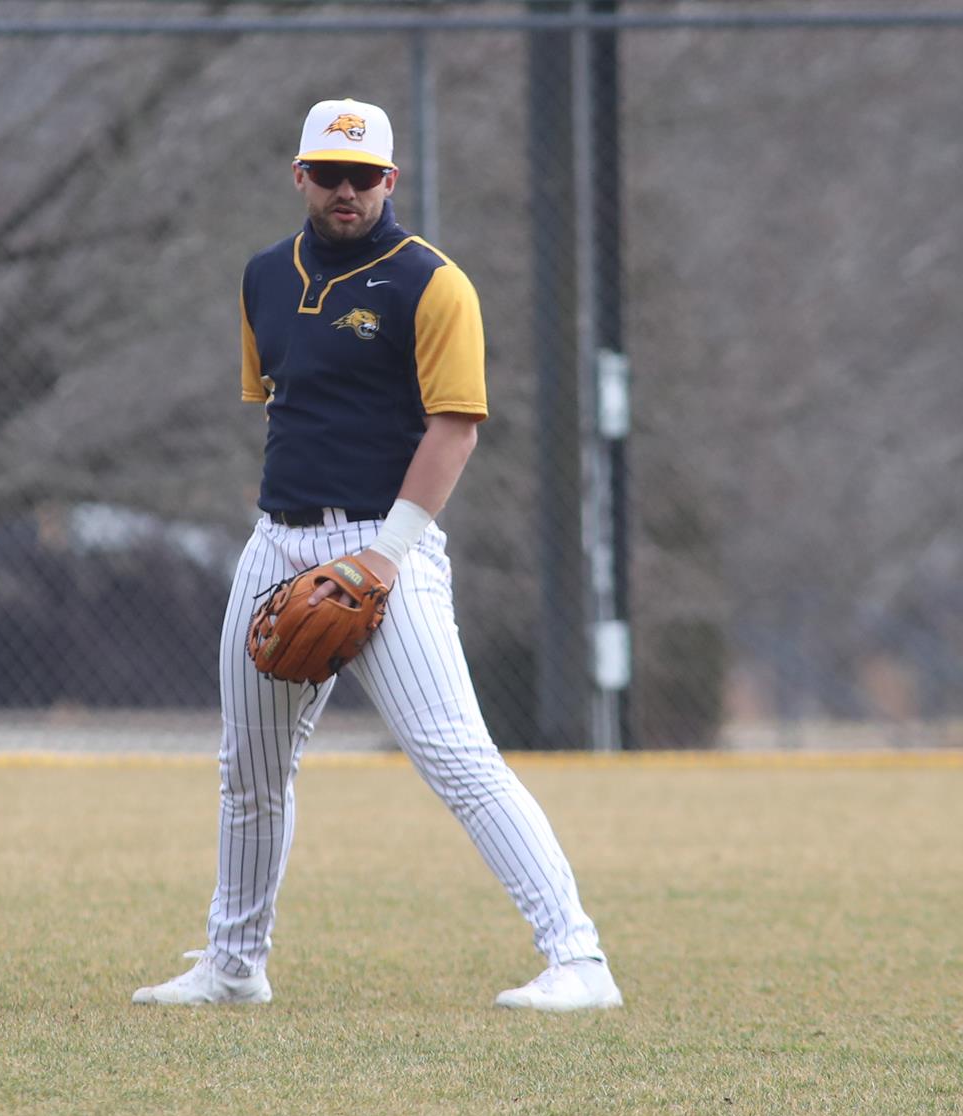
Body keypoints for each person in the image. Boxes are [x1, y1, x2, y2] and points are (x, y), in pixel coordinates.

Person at [132, 98, 620, 1012]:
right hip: (278, 540)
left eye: (364, 176)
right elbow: (287, 409)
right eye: (330, 174)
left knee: (457, 757)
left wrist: (387, 555)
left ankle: (580, 959)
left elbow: (456, 428)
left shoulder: (431, 283)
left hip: (388, 543)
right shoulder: (263, 277)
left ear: (392, 179)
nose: (346, 190)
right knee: (250, 771)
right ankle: (234, 964)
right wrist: (283, 541)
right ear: (300, 176)